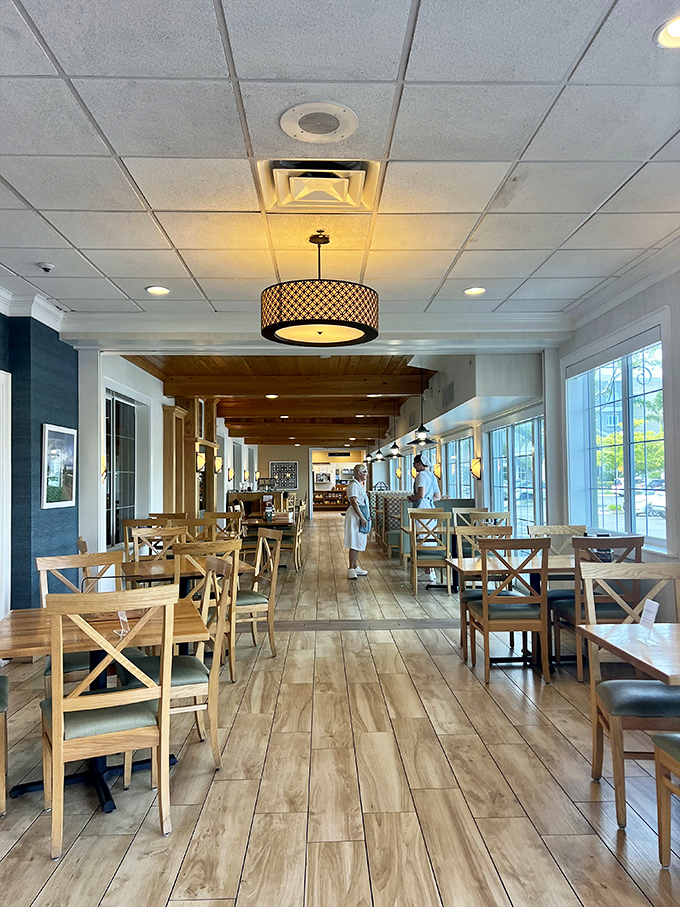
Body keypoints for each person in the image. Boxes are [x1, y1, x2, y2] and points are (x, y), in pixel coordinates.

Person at [408, 453, 442, 583]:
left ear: (420, 464)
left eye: (415, 463)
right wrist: (429, 501)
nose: (414, 466)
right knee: (430, 537)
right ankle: (431, 572)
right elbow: (438, 496)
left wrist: (411, 498)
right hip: (430, 509)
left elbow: (420, 495)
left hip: (421, 510)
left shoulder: (421, 475)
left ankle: (428, 572)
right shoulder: (432, 476)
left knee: (422, 538)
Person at [344, 463, 370, 579]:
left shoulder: (359, 485)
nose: (366, 475)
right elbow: (354, 502)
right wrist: (361, 517)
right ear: (359, 473)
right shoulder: (353, 485)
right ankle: (351, 568)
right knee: (354, 541)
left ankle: (355, 566)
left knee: (359, 541)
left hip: (359, 515)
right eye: (365, 472)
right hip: (355, 516)